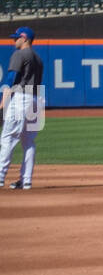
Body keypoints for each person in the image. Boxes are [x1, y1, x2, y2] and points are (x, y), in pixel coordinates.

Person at [0, 27, 44, 190]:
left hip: (21, 98)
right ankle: (26, 180)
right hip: (37, 99)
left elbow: (11, 79)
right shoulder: (38, 58)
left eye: (17, 37)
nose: (14, 40)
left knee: (8, 138)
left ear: (25, 39)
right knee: (29, 142)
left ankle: (0, 176)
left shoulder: (19, 54)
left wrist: (2, 102)